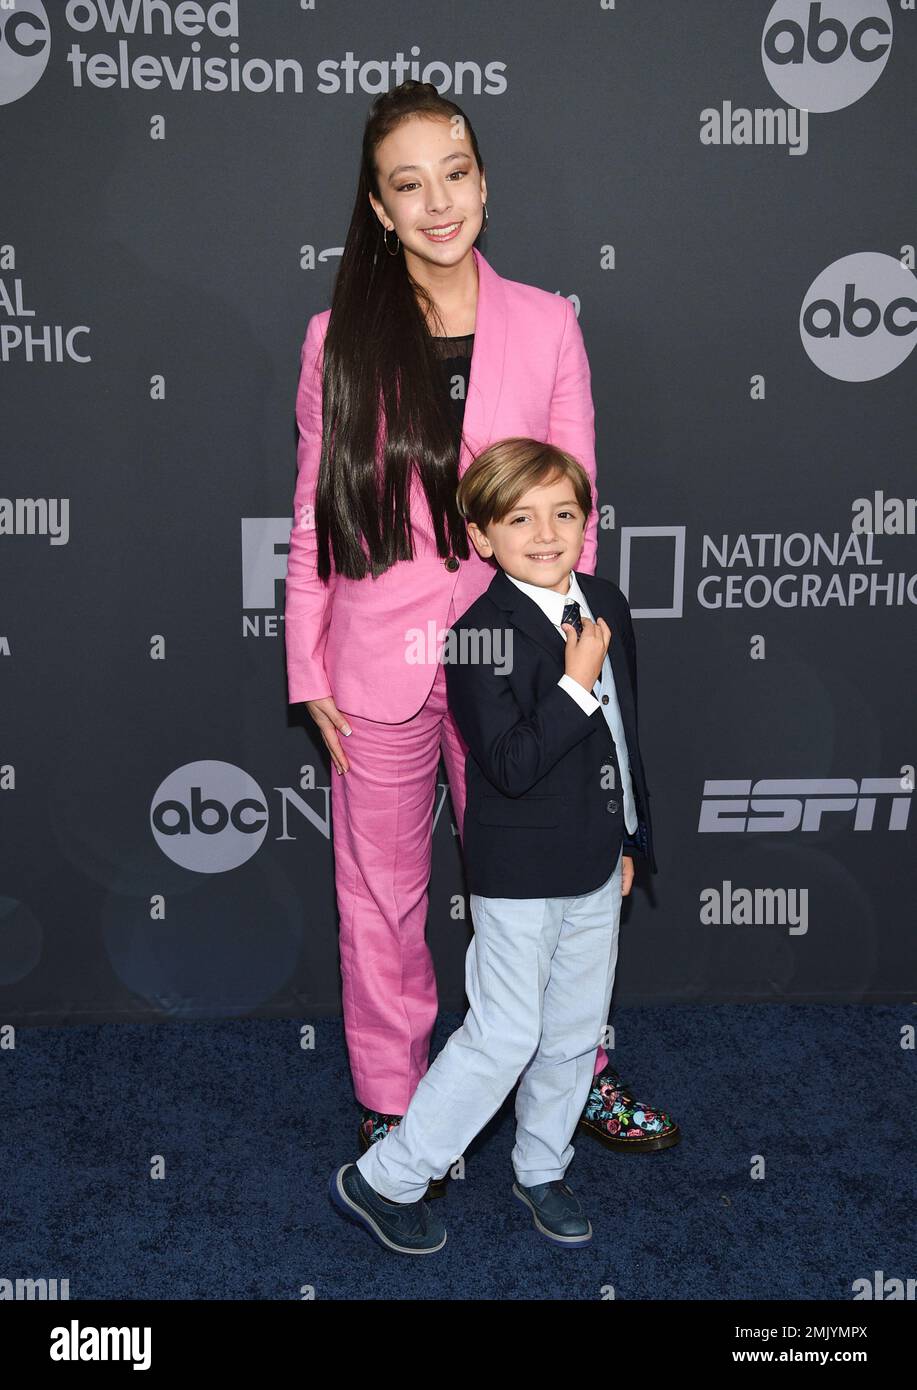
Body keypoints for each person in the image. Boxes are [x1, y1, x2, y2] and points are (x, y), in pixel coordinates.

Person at [283, 82, 677, 1194]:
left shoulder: (549, 322)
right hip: (382, 656)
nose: (435, 200)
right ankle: (393, 1103)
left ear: (484, 185)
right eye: (406, 184)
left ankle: (576, 1068)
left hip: (520, 657)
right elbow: (316, 508)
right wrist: (307, 660)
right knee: (381, 892)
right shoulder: (334, 340)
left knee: (558, 877)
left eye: (453, 173)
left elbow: (575, 503)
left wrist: (570, 646)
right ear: (377, 205)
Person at [330, 439, 661, 1253]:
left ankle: (541, 1168)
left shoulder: (608, 603)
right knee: (505, 1033)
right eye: (519, 518)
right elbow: (508, 766)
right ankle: (385, 1179)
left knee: (575, 1028)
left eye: (563, 513)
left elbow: (622, 737)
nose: (545, 533)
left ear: (588, 522)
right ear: (480, 536)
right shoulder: (477, 634)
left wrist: (629, 839)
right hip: (517, 873)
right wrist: (574, 682)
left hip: (594, 861)